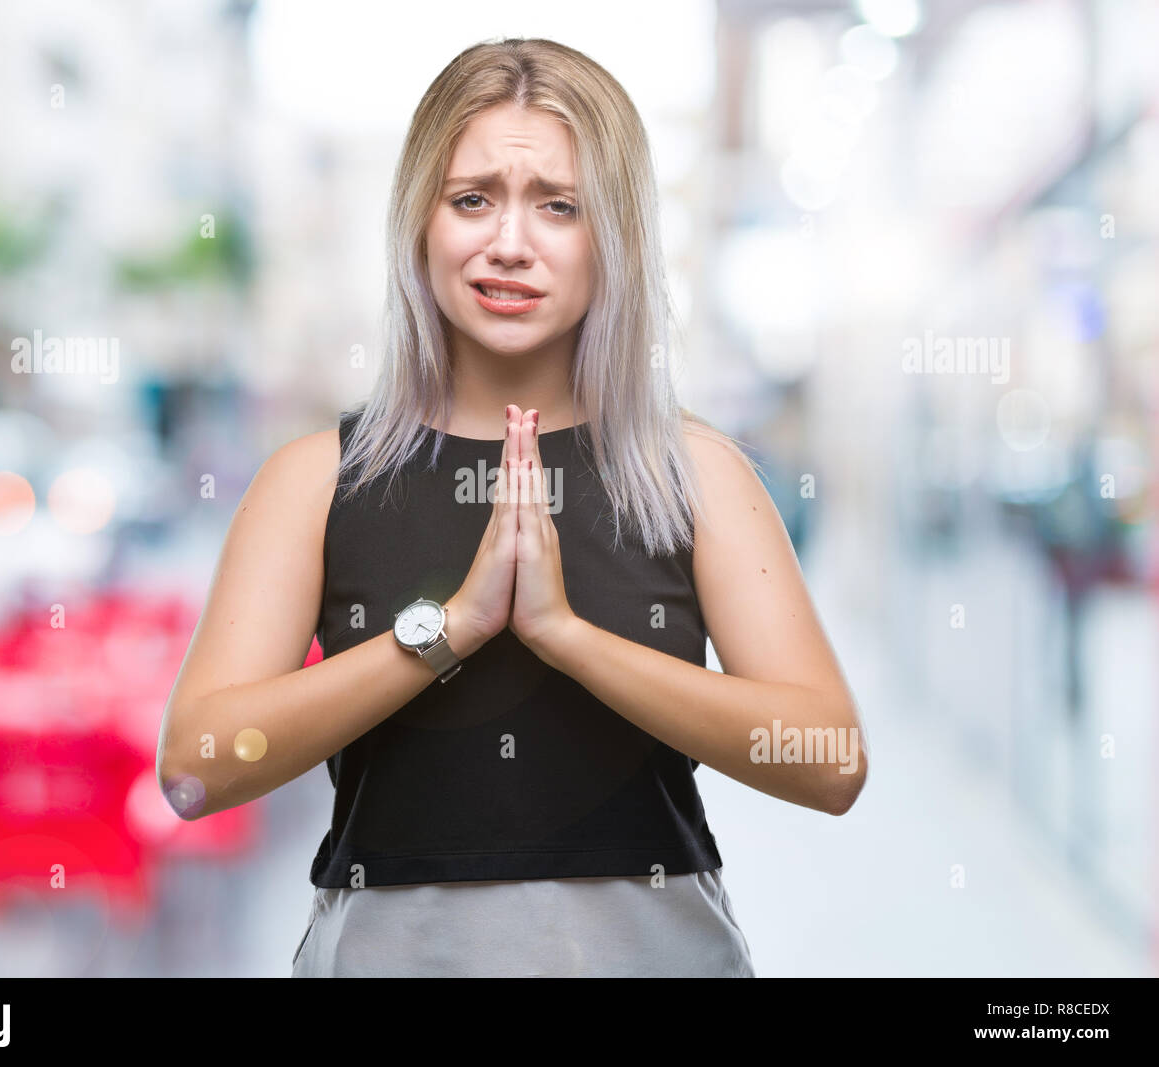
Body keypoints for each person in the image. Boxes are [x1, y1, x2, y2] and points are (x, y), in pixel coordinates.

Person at [157, 37, 868, 978]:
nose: (509, 243)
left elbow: (829, 761)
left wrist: (565, 634)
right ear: (422, 223)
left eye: (558, 206)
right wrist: (448, 630)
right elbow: (196, 766)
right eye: (472, 199)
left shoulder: (694, 474)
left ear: (611, 235)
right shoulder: (315, 480)